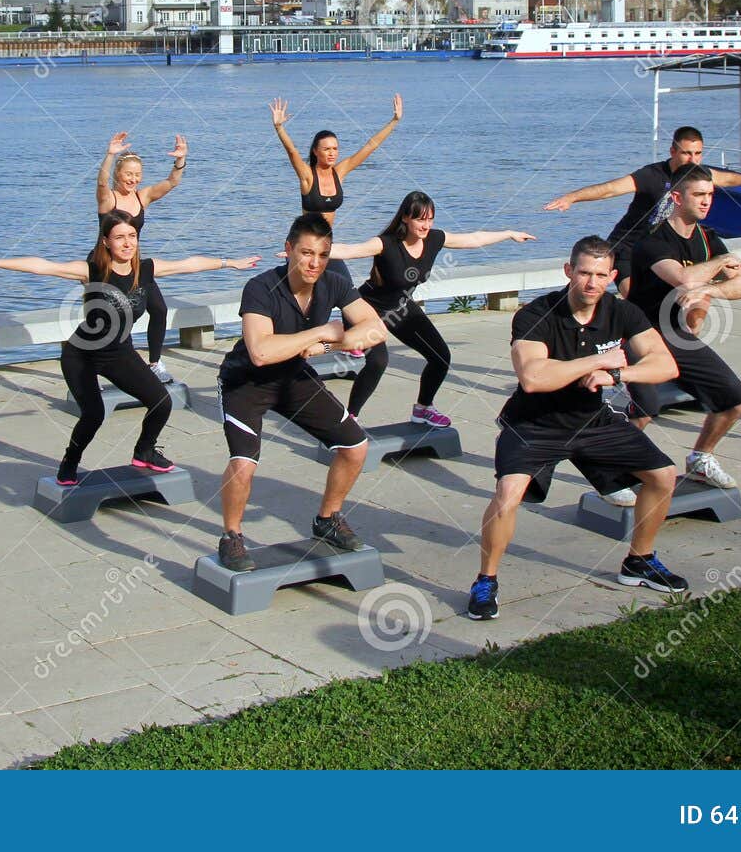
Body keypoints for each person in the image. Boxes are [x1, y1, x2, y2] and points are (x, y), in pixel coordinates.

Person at [468, 236, 686, 622]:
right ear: (568, 271)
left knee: (664, 475)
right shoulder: (536, 314)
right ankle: (486, 580)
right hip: (534, 422)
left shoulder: (623, 313)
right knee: (507, 494)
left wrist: (617, 372)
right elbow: (534, 378)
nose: (591, 282)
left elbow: (665, 365)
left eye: (601, 275)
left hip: (592, 420)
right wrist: (591, 364)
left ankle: (640, 560)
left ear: (612, 277)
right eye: (584, 272)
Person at [0, 211, 258, 485]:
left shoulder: (146, 269)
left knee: (161, 401)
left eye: (132, 236)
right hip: (82, 355)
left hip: (120, 353)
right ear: (106, 241)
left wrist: (230, 262)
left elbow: (188, 264)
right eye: (119, 237)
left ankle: (144, 451)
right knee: (93, 414)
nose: (127, 243)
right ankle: (69, 462)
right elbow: (44, 266)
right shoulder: (91, 270)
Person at [214, 213, 389, 573]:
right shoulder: (260, 287)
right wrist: (321, 332)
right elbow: (261, 352)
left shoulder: (335, 284)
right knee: (244, 464)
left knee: (356, 447)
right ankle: (231, 536)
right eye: (306, 253)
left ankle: (327, 519)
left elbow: (376, 329)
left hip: (294, 378)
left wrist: (331, 347)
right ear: (288, 249)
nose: (313, 263)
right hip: (245, 383)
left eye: (322, 255)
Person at [328, 190, 536, 428]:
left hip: (401, 307)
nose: (426, 225)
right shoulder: (385, 243)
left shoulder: (435, 239)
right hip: (366, 309)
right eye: (420, 219)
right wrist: (306, 252)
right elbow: (348, 250)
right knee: (378, 361)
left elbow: (472, 239)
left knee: (440, 357)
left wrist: (509, 234)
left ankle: (423, 408)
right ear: (406, 218)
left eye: (430, 219)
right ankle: (349, 419)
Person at [623, 165, 741, 490]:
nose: (707, 201)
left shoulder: (708, 239)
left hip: (676, 334)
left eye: (710, 195)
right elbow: (682, 278)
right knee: (645, 409)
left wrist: (712, 289)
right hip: (638, 334)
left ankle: (700, 459)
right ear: (677, 197)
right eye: (699, 195)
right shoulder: (652, 241)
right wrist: (721, 265)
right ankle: (614, 471)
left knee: (734, 399)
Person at [543, 126, 741, 297]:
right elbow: (610, 189)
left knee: (679, 301)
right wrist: (572, 197)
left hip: (663, 249)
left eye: (697, 153)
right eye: (686, 153)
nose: (692, 160)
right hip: (629, 249)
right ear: (672, 151)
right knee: (636, 300)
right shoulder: (652, 176)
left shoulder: (699, 175)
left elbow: (728, 178)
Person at [96, 130, 188, 383]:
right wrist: (110, 155)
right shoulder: (108, 199)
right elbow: (101, 183)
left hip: (133, 264)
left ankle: (155, 363)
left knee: (158, 309)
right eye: (128, 174)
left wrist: (180, 159)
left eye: (137, 175)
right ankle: (97, 367)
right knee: (108, 317)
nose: (133, 179)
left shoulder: (141, 197)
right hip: (105, 265)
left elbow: (172, 182)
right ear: (118, 173)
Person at [269, 93, 403, 225]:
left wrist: (394, 121)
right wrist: (279, 127)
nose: (332, 153)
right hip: (305, 243)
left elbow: (370, 146)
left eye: (335, 148)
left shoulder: (339, 172)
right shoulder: (307, 175)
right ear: (315, 151)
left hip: (327, 241)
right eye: (327, 149)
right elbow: (292, 151)